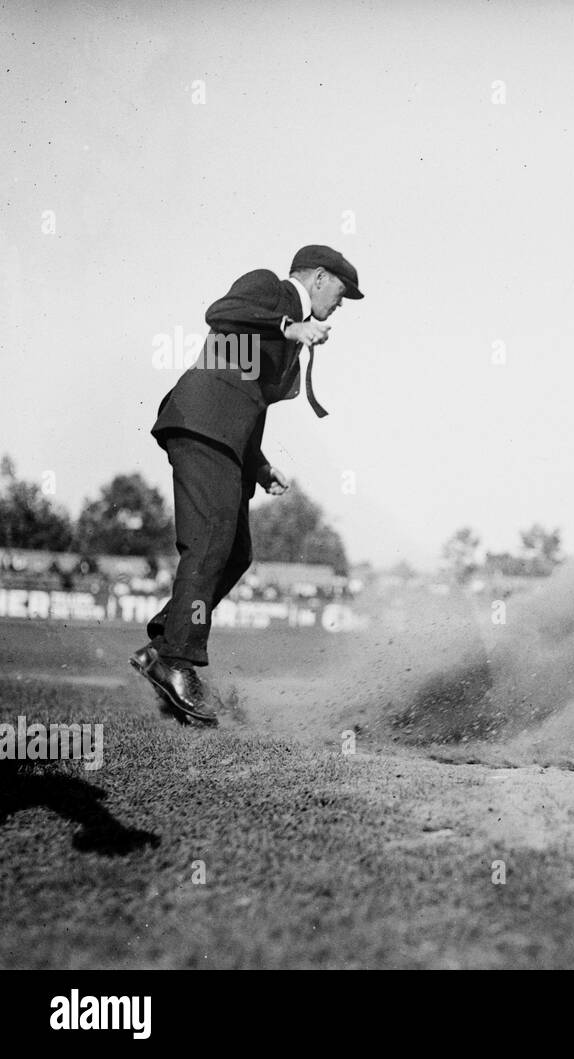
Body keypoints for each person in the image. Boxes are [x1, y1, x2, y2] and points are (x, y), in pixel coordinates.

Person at [130, 245, 363, 726]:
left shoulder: (290, 337)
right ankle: (176, 660)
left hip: (226, 439)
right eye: (341, 292)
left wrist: (258, 466)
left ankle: (163, 645)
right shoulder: (270, 288)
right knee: (211, 540)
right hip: (201, 424)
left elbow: (249, 399)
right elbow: (221, 313)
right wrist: (290, 326)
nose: (341, 305)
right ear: (318, 278)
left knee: (235, 553)